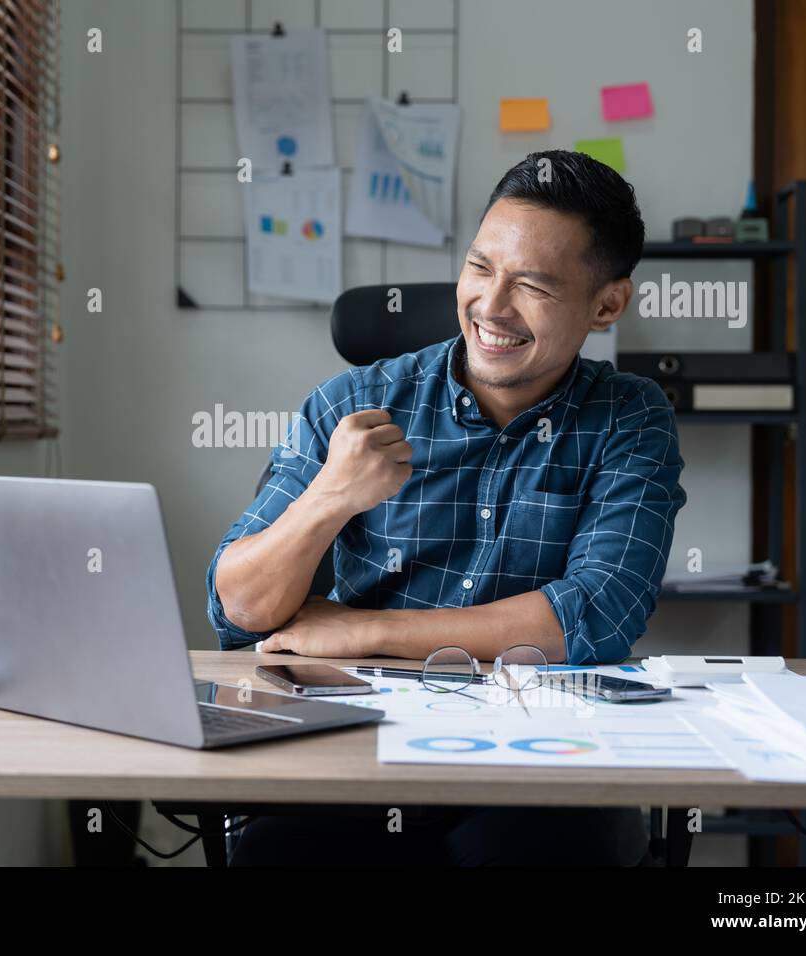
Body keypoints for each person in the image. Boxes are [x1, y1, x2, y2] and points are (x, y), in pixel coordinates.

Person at [206, 150, 686, 866]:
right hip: (357, 745)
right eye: (481, 267)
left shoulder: (629, 418)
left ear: (608, 305)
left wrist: (364, 633)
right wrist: (332, 497)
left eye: (532, 285)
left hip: (541, 755)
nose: (491, 306)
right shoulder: (350, 403)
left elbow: (598, 614)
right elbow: (240, 608)